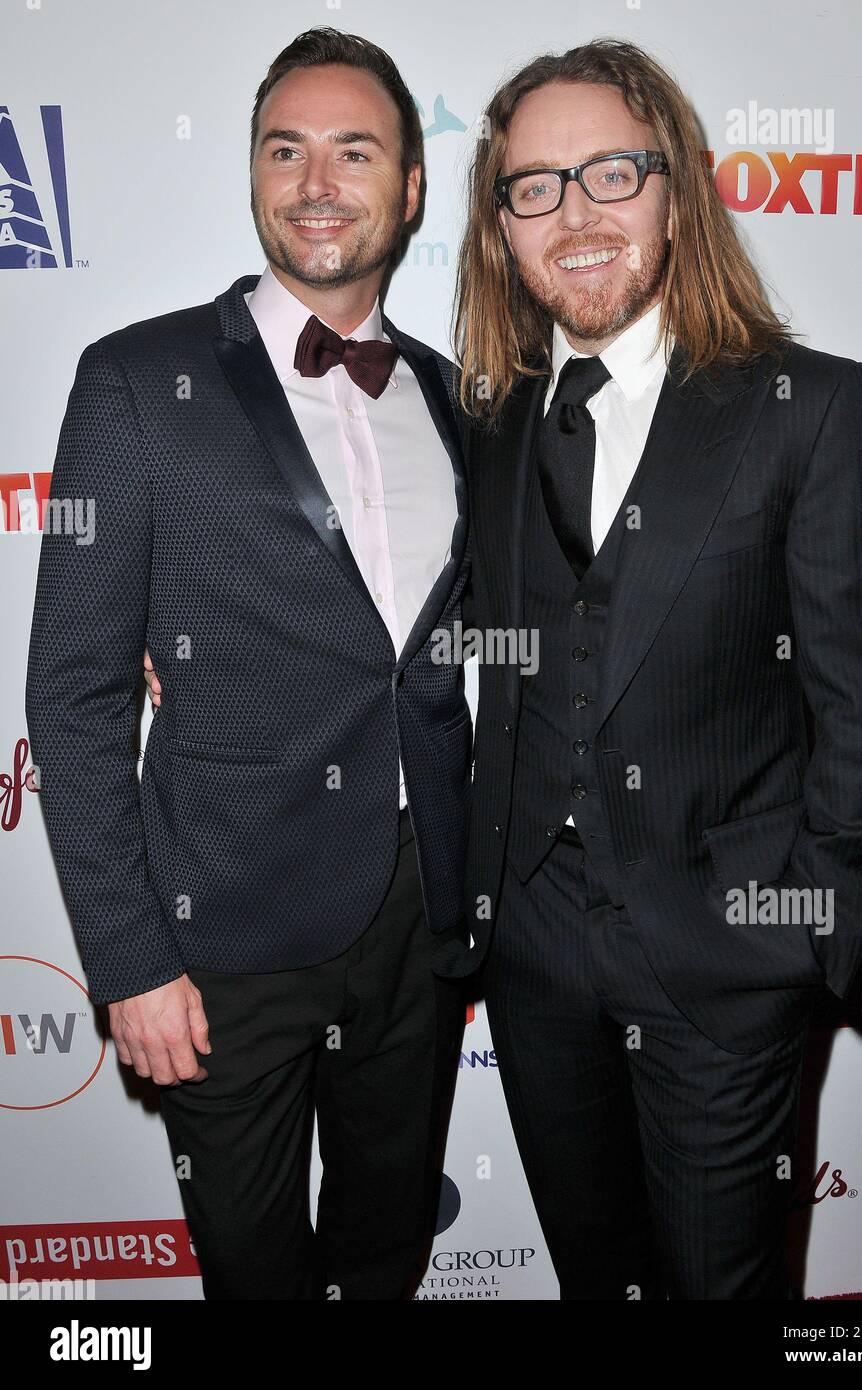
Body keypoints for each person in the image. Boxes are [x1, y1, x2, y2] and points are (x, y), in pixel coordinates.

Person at [443, 37, 862, 1299]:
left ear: (677, 191)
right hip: (537, 966)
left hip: (726, 966)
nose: (576, 214)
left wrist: (800, 950)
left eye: (612, 171)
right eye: (533, 186)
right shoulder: (493, 421)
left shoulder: (813, 409)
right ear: (501, 227)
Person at [25, 27, 471, 1301]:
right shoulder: (132, 380)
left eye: (354, 148)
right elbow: (72, 690)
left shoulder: (453, 399)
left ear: (412, 186)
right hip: (219, 940)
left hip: (419, 914)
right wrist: (126, 957)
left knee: (386, 1247)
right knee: (255, 1271)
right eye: (287, 149)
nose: (316, 181)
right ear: (253, 174)